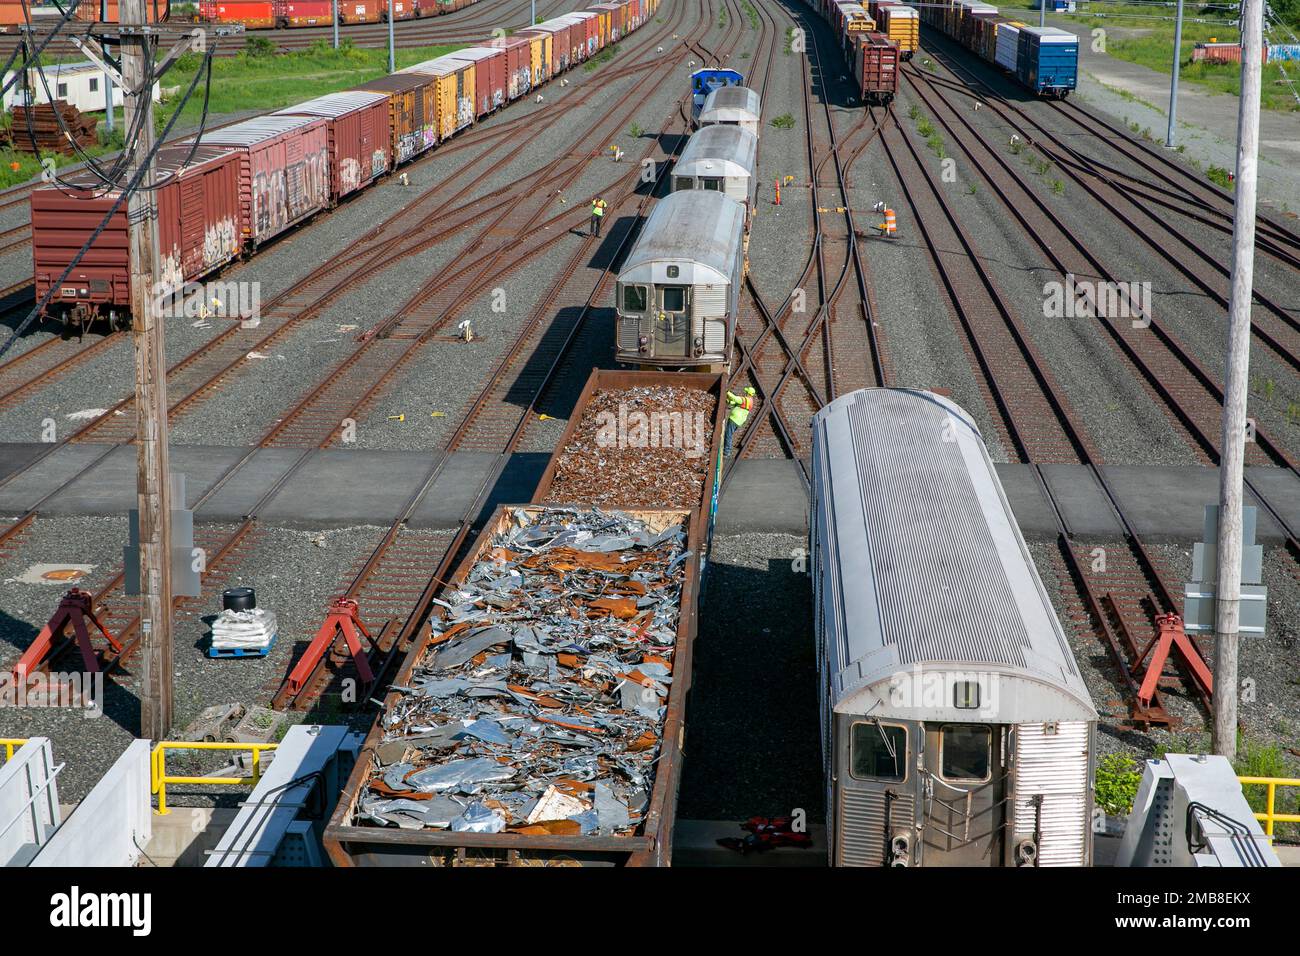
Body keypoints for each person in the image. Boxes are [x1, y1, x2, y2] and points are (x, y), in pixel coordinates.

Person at [724, 386, 756, 457]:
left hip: (734, 419)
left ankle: (726, 452)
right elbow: (735, 403)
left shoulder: (746, 400)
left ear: (748, 393)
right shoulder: (750, 401)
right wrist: (729, 401)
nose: (744, 393)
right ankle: (726, 450)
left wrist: (727, 392)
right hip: (738, 421)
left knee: (728, 435)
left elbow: (735, 399)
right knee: (729, 434)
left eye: (746, 392)